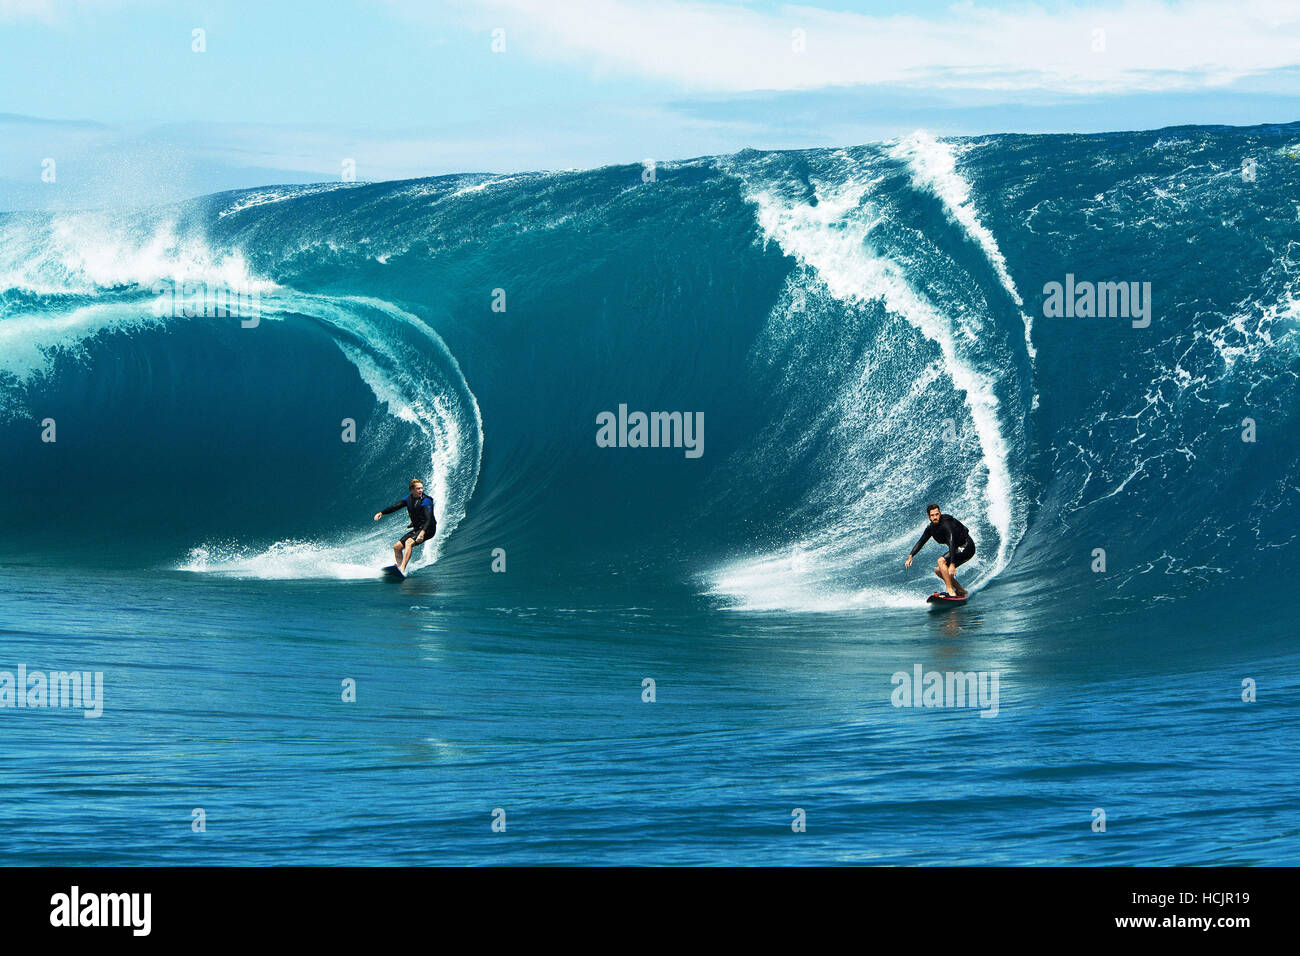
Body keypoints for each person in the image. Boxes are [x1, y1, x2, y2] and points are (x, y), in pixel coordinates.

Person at [905, 503, 975, 597]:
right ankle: (961, 590)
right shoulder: (931, 528)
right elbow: (921, 541)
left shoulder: (946, 524)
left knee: (941, 561)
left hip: (967, 547)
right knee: (939, 571)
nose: (935, 517)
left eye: (937, 514)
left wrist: (952, 564)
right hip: (957, 549)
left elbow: (952, 542)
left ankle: (950, 590)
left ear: (940, 513)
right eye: (932, 515)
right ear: (928, 516)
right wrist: (911, 555)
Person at [374, 478, 436, 573]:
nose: (421, 490)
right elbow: (395, 507)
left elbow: (429, 519)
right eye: (418, 488)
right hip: (417, 529)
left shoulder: (426, 501)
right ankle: (399, 568)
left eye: (421, 488)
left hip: (428, 529)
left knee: (409, 542)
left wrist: (422, 533)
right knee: (397, 547)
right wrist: (381, 513)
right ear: (412, 490)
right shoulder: (408, 499)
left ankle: (402, 568)